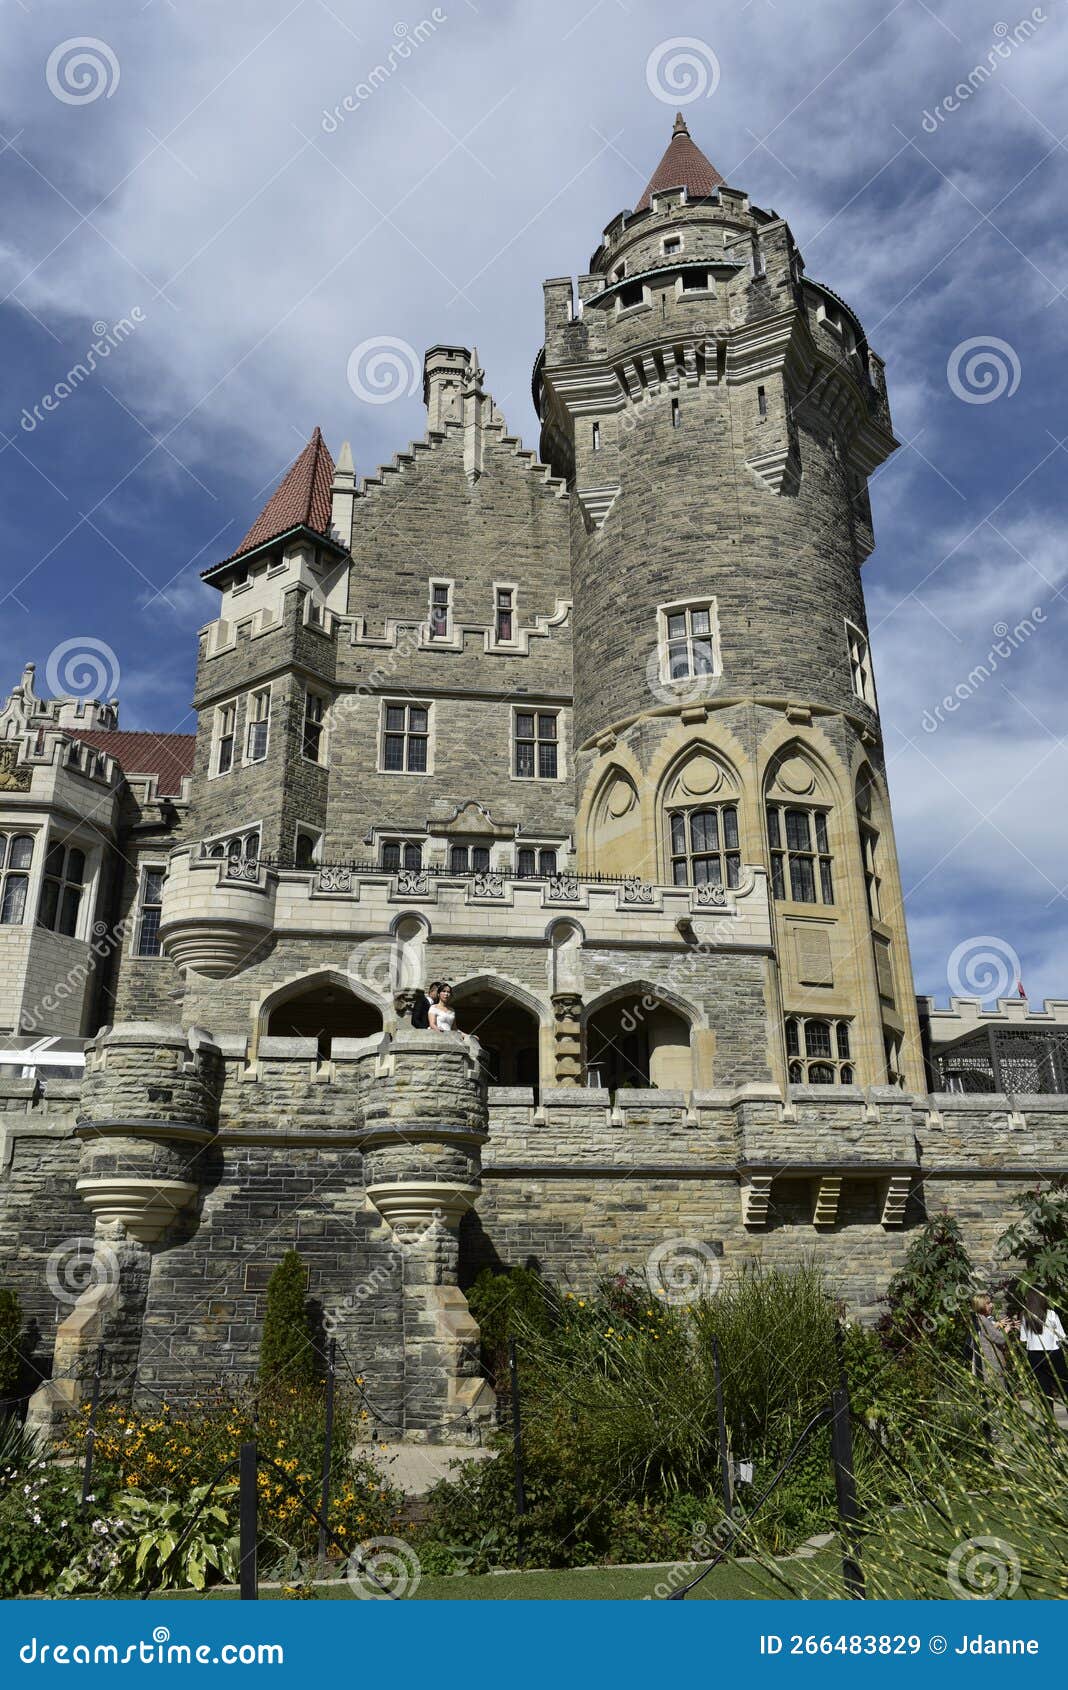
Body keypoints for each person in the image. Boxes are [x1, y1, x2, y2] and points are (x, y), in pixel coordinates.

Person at [1018, 1287, 1066, 1399]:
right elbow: (1062, 1336)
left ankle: (1049, 1415)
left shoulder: (1025, 1315)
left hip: (1034, 1355)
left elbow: (1023, 1339)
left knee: (1044, 1390)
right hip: (1053, 1353)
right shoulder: (1052, 1314)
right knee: (1064, 1386)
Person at [971, 1292, 1008, 1389]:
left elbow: (986, 1334)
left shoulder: (976, 1319)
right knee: (999, 1391)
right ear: (981, 1305)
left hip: (983, 1361)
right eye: (988, 1303)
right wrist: (1007, 1328)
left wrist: (995, 1325)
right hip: (991, 1361)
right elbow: (1000, 1339)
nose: (991, 1305)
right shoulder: (983, 1321)